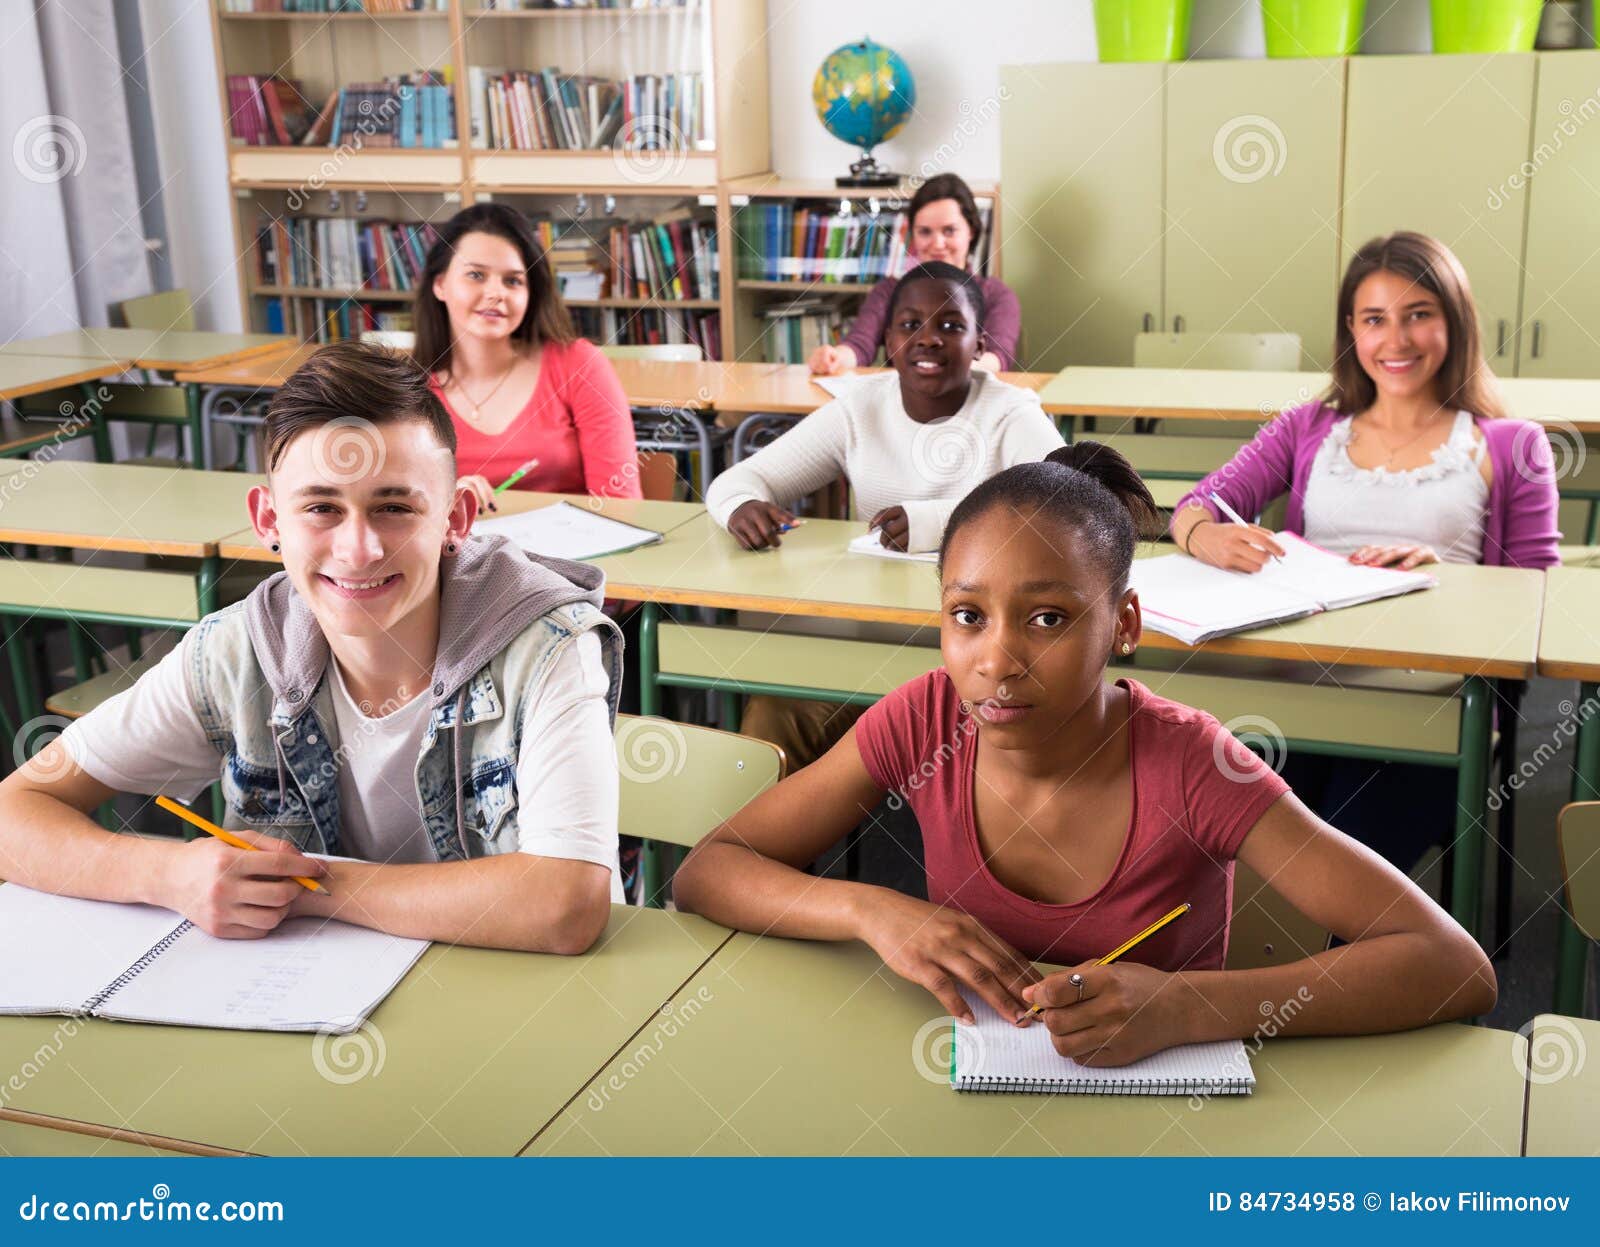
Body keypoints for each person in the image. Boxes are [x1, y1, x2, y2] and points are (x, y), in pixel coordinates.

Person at [673, 443, 1496, 1066]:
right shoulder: (924, 721)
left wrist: (1182, 1008)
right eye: (968, 615)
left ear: (1125, 625)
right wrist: (871, 909)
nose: (997, 660)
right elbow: (708, 870)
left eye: (1048, 619)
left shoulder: (1196, 763)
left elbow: (1454, 968)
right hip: (975, 1099)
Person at [0, 343, 623, 953]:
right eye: (322, 507)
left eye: (395, 507)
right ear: (269, 521)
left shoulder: (548, 646)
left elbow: (563, 904)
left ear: (456, 519)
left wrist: (304, 889)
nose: (359, 551)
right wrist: (167, 873)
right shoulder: (236, 652)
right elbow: (13, 813)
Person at [1167, 231, 1561, 873]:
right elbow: (1200, 502)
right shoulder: (1309, 427)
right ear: (1352, 328)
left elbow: (1536, 608)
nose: (1396, 341)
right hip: (1297, 678)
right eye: (1375, 320)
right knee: (1223, 830)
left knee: (1338, 857)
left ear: (1454, 322)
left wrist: (1452, 582)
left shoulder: (1513, 445)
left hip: (1428, 701)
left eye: (1419, 316)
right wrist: (1199, 532)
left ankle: (1332, 967)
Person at [706, 260, 1062, 771]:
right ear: (887, 338)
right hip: (867, 635)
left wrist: (936, 523)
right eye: (910, 324)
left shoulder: (1009, 412)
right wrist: (740, 506)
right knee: (772, 719)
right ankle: (760, 850)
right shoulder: (860, 407)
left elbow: (1068, 499)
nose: (928, 339)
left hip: (980, 656)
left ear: (980, 342)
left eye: (950, 325)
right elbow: (736, 481)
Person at [415, 203, 641, 510]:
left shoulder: (578, 364)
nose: (497, 293)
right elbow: (397, 510)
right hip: (454, 554)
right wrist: (443, 499)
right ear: (440, 284)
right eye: (476, 275)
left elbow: (620, 504)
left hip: (567, 552)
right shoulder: (409, 390)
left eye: (513, 281)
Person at [808, 174, 1020, 376]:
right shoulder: (888, 291)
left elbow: (998, 357)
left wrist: (951, 372)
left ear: (971, 232)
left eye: (949, 231)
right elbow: (859, 345)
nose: (937, 244)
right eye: (925, 232)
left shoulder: (997, 295)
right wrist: (835, 358)